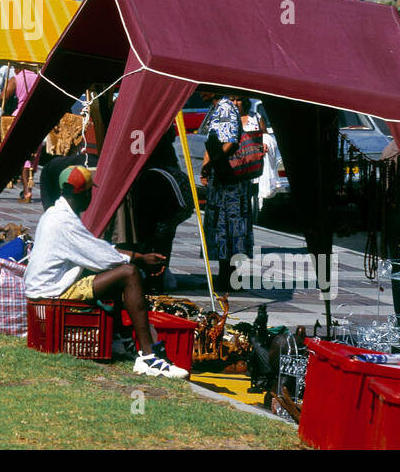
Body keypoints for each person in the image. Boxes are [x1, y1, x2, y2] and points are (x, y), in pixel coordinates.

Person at [23, 164, 188, 379]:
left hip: (46, 287)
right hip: (54, 291)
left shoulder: (55, 213)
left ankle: (121, 339)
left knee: (118, 271)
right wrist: (139, 259)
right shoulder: (63, 222)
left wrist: (129, 257)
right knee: (129, 274)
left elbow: (95, 248)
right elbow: (103, 258)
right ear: (83, 195)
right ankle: (149, 357)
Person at [127, 132, 194, 293]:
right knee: (161, 236)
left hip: (164, 187)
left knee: (155, 236)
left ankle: (154, 280)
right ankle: (156, 278)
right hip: (171, 185)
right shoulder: (162, 140)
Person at [200, 91, 250, 289]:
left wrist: (211, 164)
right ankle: (224, 274)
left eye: (204, 87)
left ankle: (229, 276)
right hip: (220, 177)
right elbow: (212, 143)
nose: (200, 90)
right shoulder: (216, 108)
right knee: (220, 225)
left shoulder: (225, 107)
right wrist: (207, 167)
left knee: (228, 226)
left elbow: (230, 141)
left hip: (228, 179)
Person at [0, 65, 41, 201]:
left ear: (18, 68)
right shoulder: (40, 78)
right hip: (37, 117)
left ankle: (26, 191)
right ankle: (28, 186)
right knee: (32, 154)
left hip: (20, 117)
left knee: (22, 155)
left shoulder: (16, 79)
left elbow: (3, 97)